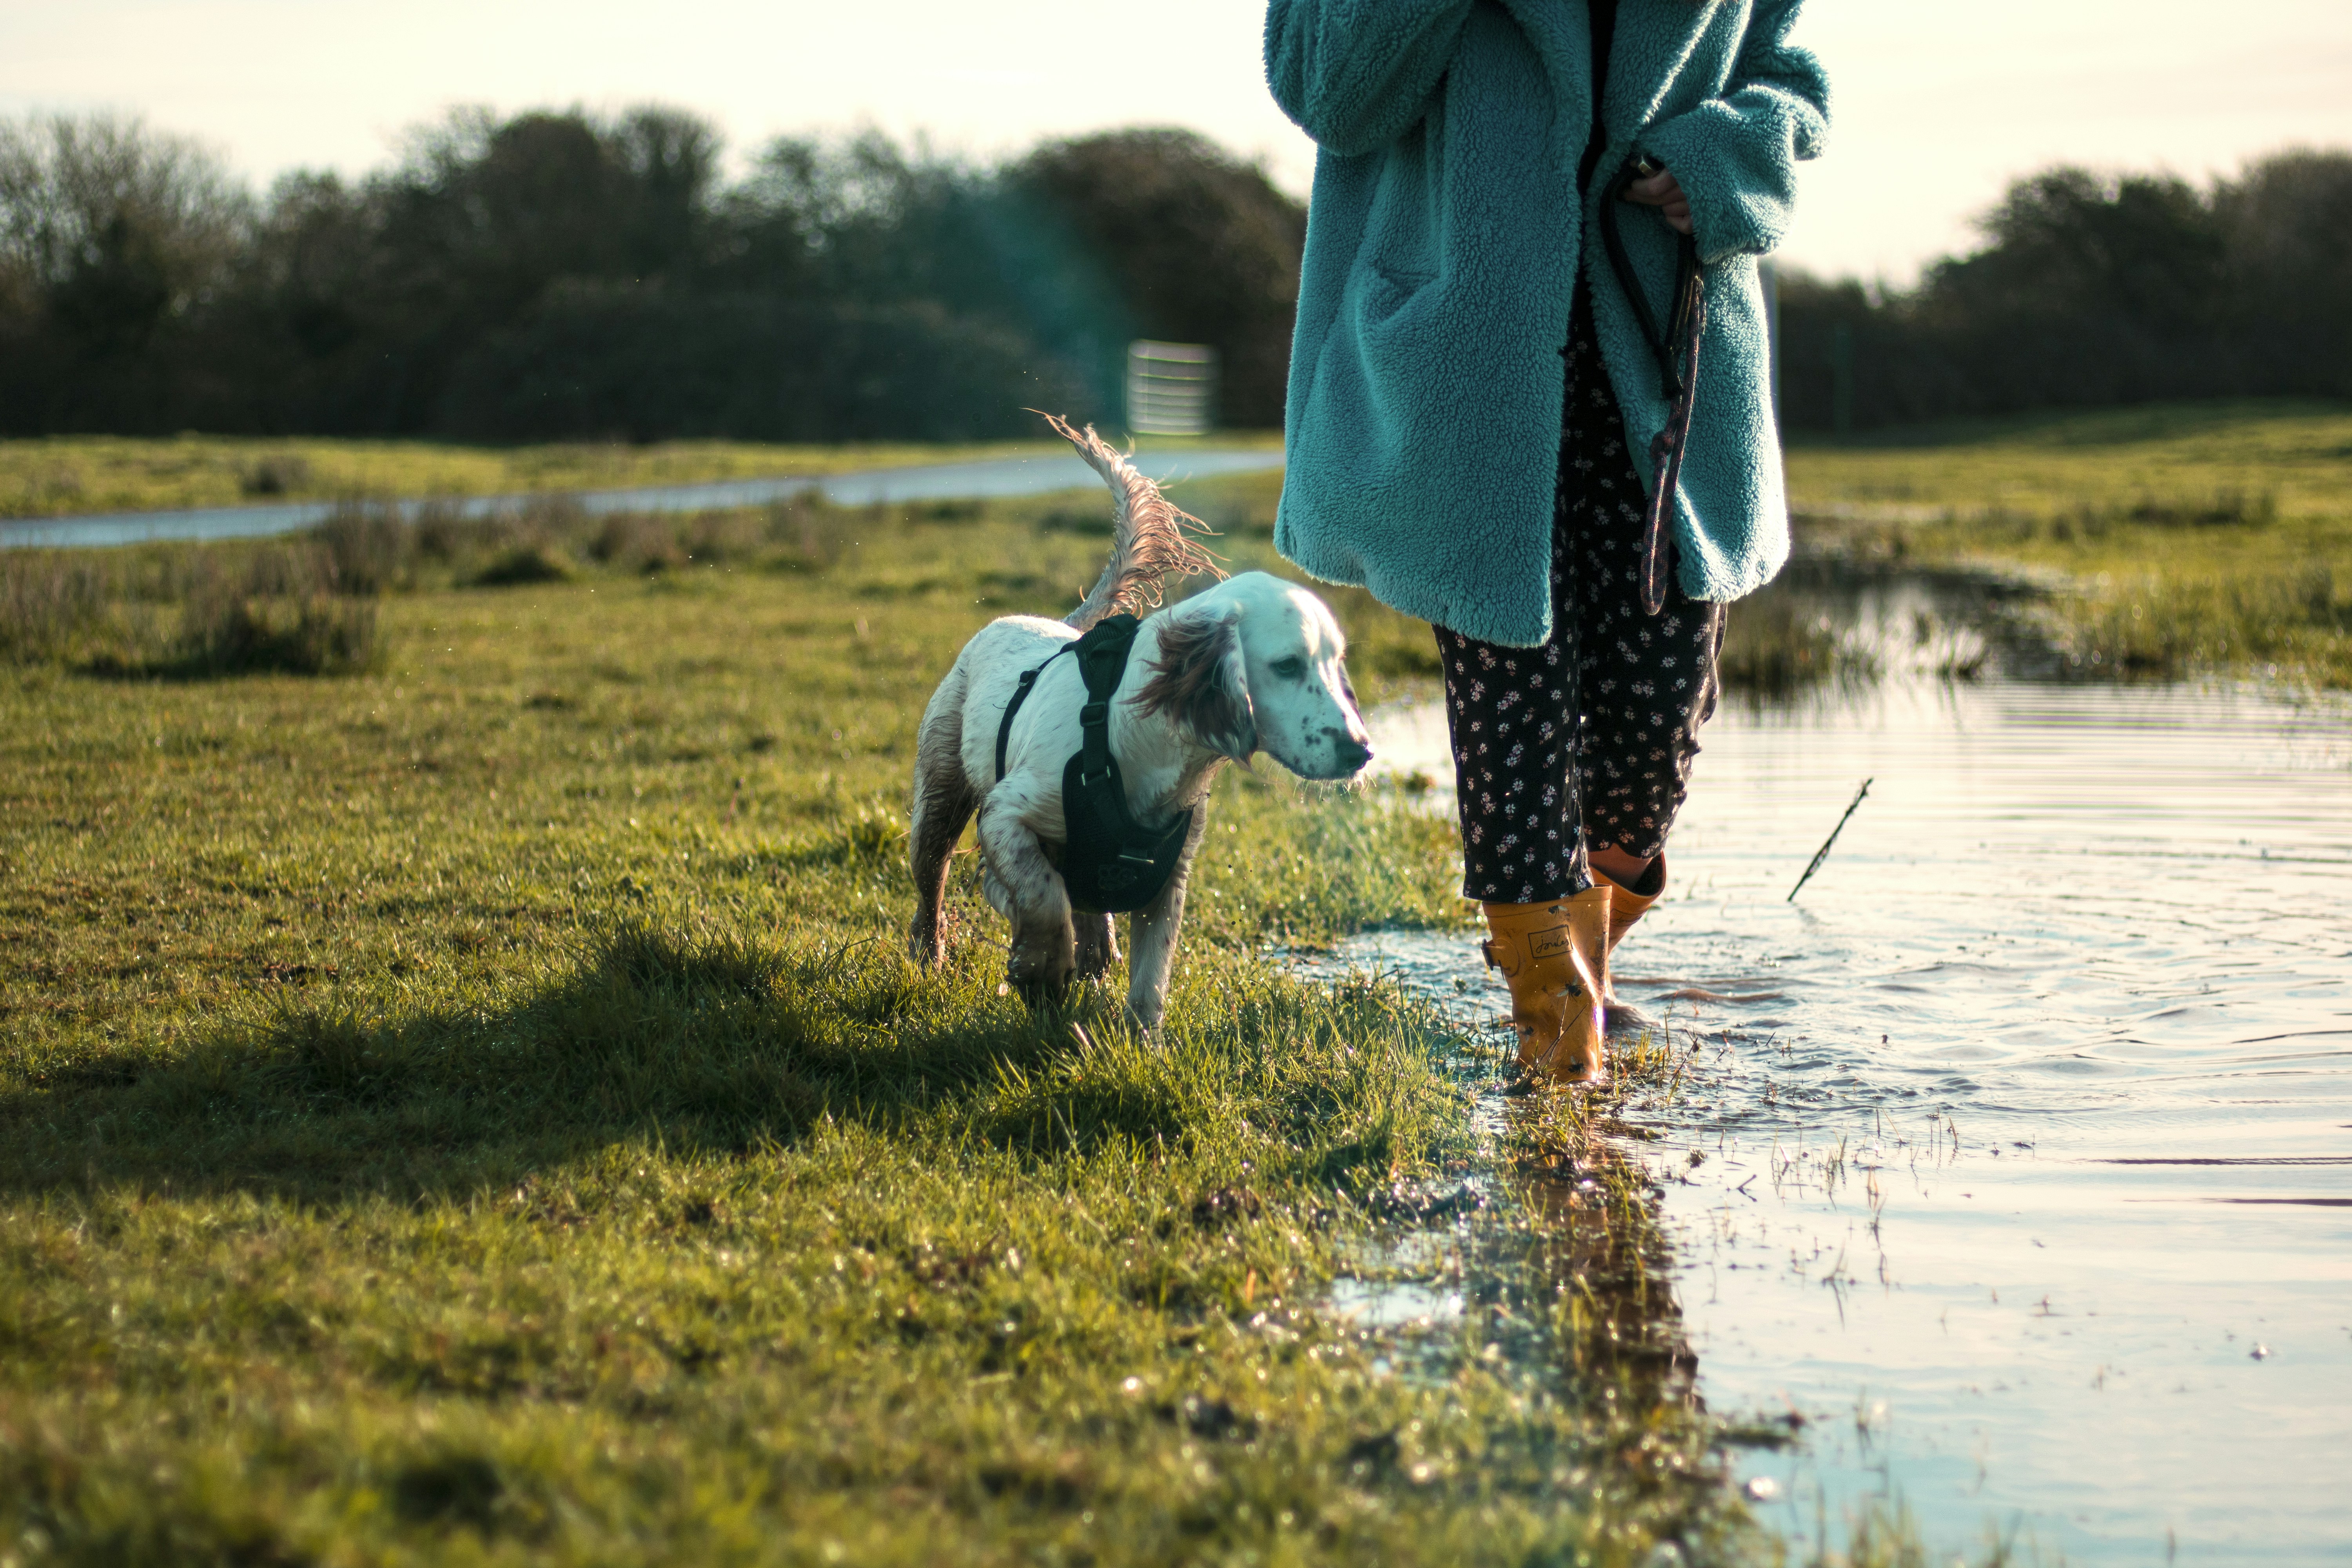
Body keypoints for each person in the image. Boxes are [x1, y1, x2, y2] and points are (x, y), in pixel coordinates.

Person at [1265, 0, 1829, 1084]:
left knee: (1656, 724)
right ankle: (1559, 1046)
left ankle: (1578, 972)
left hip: (1662, 357)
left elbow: (1793, 86)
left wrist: (1719, 162)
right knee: (1509, 701)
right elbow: (1327, 92)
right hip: (1464, 368)